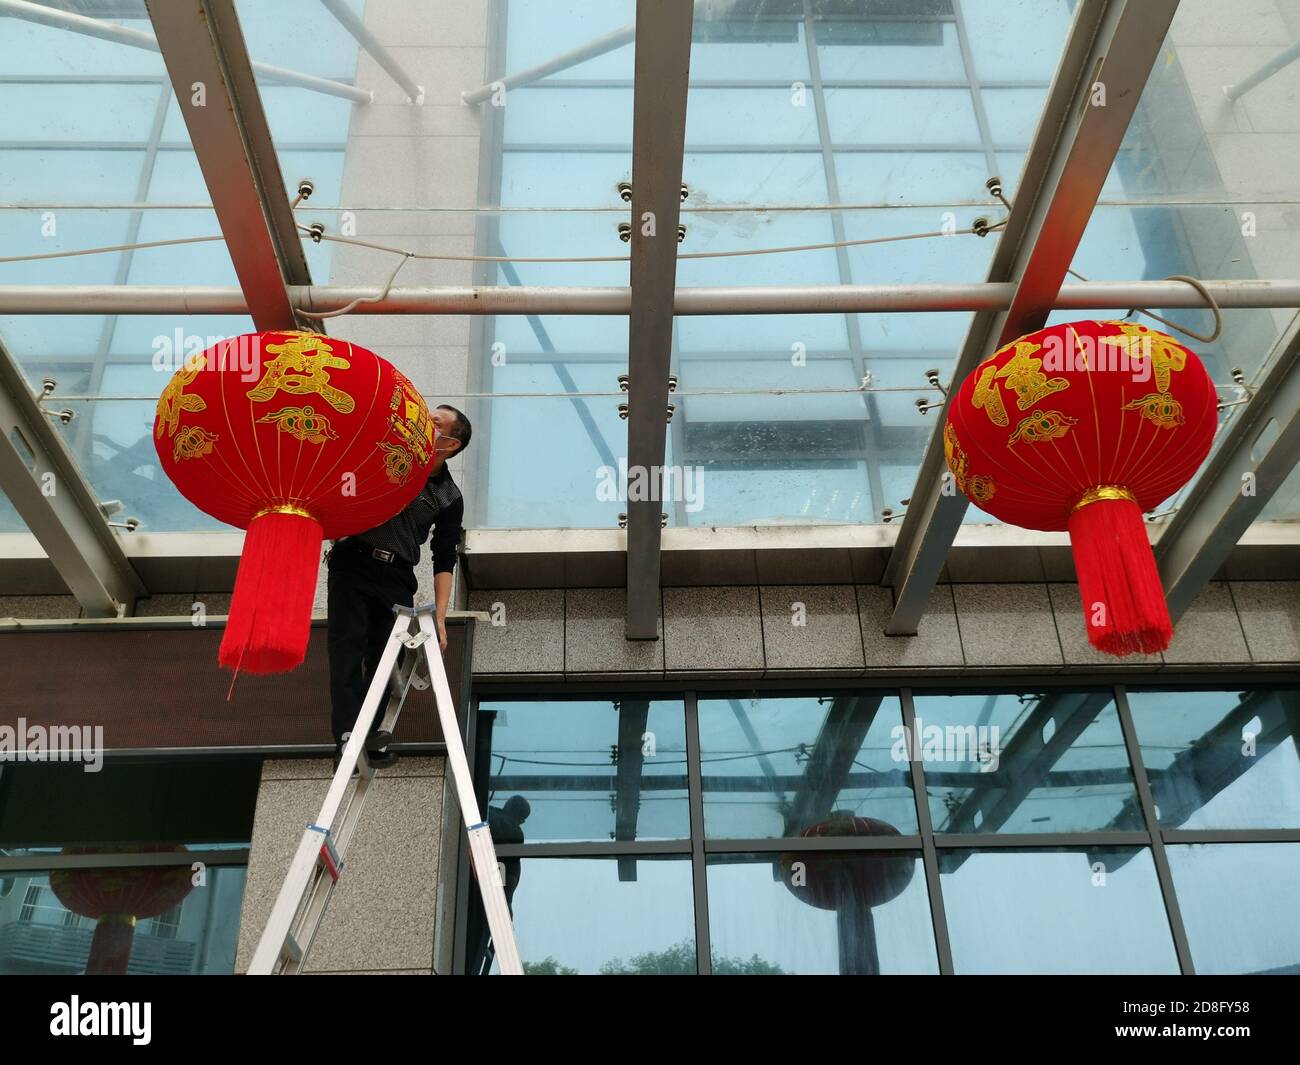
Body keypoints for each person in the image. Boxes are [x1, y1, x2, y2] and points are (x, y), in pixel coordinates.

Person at [326, 403, 471, 770]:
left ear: (450, 444)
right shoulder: (386, 454)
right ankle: (347, 734)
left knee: (384, 658)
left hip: (397, 574)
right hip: (354, 561)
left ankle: (371, 737)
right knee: (347, 647)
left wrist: (440, 615)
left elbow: (444, 556)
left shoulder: (450, 498)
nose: (425, 423)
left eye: (435, 423)